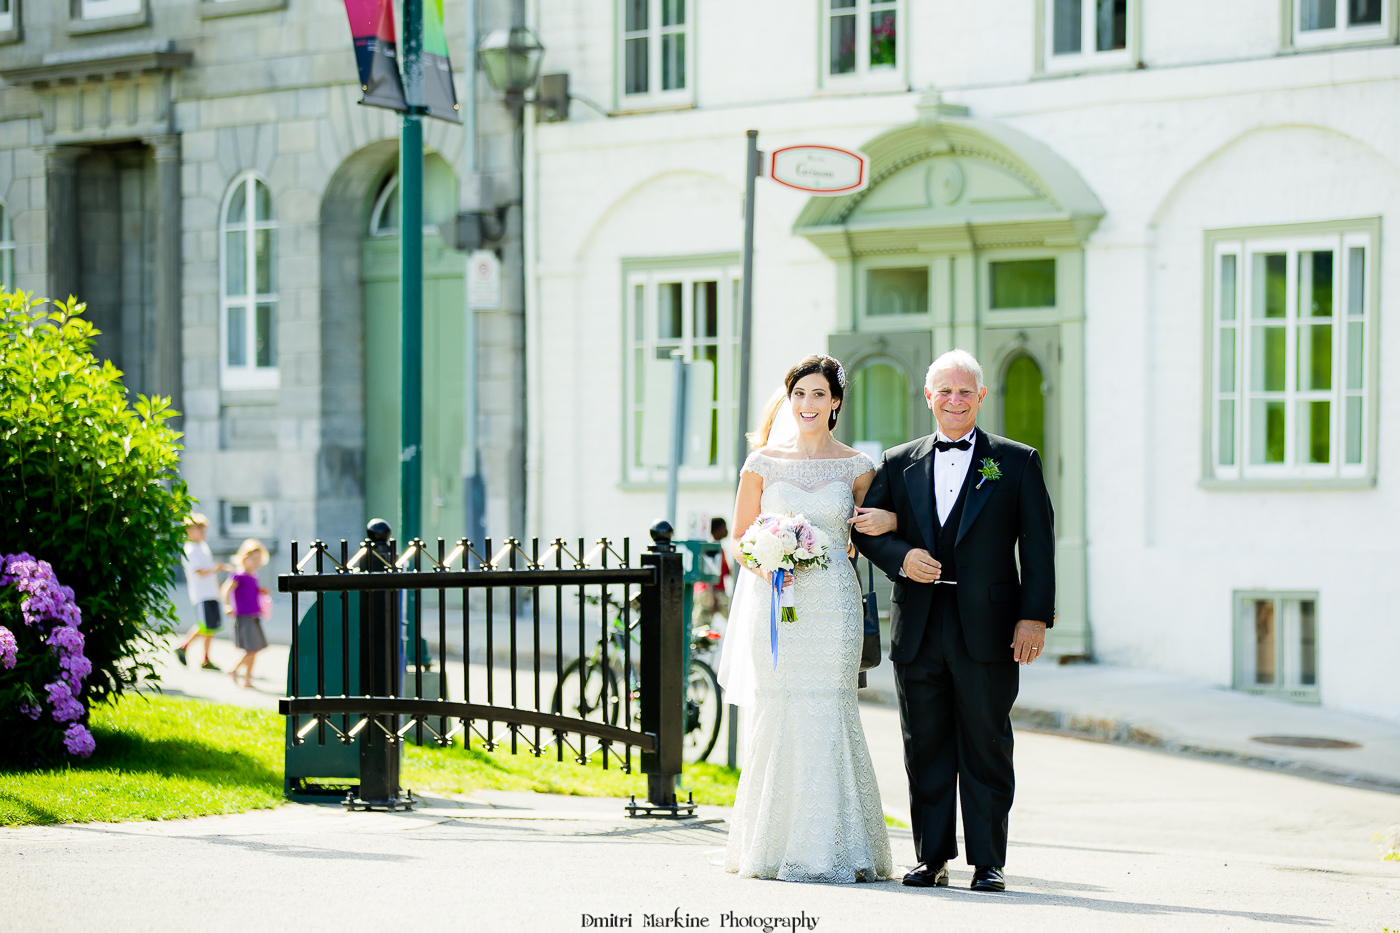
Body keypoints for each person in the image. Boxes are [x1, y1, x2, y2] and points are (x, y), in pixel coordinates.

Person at [850, 349, 1055, 893]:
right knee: (925, 744)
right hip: (918, 627)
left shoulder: (1016, 462)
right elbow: (867, 531)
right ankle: (932, 857)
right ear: (928, 397)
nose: (955, 400)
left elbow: (1038, 548)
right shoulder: (899, 462)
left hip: (988, 629)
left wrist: (1032, 617)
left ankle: (989, 862)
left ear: (981, 396)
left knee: (987, 742)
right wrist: (901, 557)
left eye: (965, 391)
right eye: (945, 390)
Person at [718, 354, 892, 883]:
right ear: (788, 399)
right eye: (799, 394)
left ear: (835, 401)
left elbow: (873, 528)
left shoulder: (857, 467)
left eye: (818, 394)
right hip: (777, 602)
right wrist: (773, 552)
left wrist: (889, 519)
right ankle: (771, 847)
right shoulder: (762, 464)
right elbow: (742, 540)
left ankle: (836, 847)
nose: (808, 404)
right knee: (782, 709)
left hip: (833, 604)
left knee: (827, 710)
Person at [175, 514, 232, 670]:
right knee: (205, 625)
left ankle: (205, 658)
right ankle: (184, 646)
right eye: (199, 529)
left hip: (211, 592)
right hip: (201, 594)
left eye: (203, 529)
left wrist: (219, 587)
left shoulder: (203, 546)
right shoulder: (190, 549)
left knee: (211, 627)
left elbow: (210, 572)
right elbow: (200, 571)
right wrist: (216, 568)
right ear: (189, 530)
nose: (202, 533)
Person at [223, 539, 270, 689]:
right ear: (244, 558)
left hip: (254, 615)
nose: (257, 563)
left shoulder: (253, 576)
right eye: (254, 559)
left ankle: (247, 680)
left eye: (259, 560)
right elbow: (226, 589)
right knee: (252, 649)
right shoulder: (239, 575)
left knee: (254, 649)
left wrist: (259, 591)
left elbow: (250, 592)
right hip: (244, 617)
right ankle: (234, 670)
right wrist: (227, 605)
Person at [694, 517, 731, 630]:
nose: (727, 531)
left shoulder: (718, 548)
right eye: (724, 527)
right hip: (712, 591)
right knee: (702, 626)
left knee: (702, 625)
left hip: (712, 591)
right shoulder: (712, 548)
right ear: (716, 530)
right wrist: (712, 597)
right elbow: (709, 574)